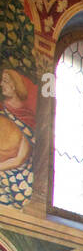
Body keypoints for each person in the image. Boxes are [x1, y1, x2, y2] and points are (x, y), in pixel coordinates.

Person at [0, 69, 36, 206]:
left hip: (19, 173)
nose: (1, 84)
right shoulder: (2, 112)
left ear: (14, 86)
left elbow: (19, 159)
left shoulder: (26, 119)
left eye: (5, 81)